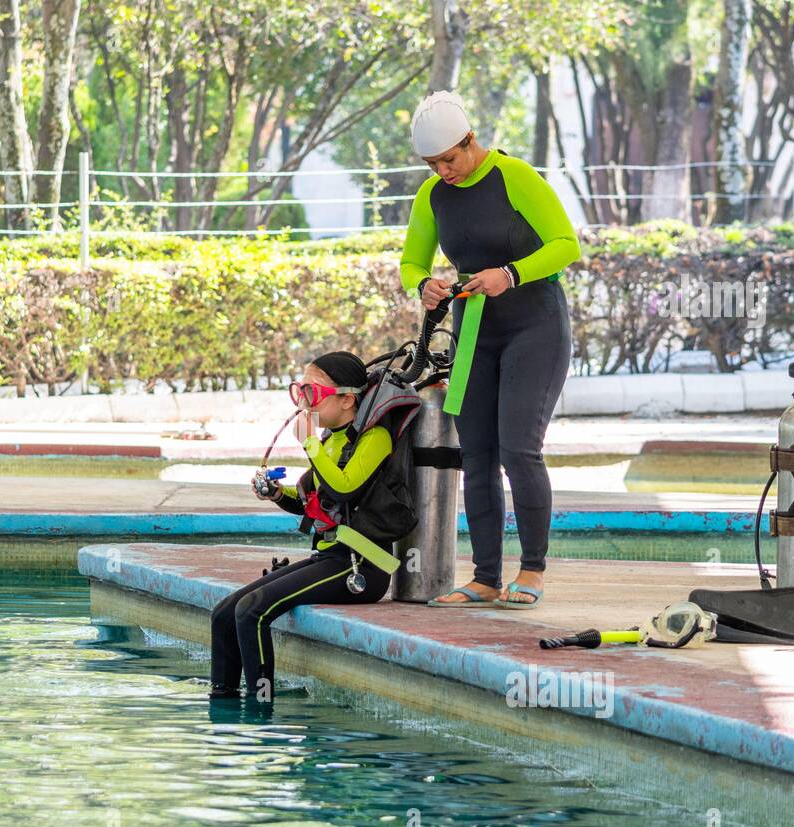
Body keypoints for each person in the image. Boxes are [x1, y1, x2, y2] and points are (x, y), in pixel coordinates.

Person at [399, 90, 581, 610]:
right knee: (475, 451)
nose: (443, 171)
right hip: (474, 328)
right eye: (432, 164)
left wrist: (512, 273)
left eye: (450, 159)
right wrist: (424, 286)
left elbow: (566, 244)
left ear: (470, 140)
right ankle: (483, 577)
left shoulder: (514, 176)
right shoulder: (431, 196)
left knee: (519, 449)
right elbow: (412, 261)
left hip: (536, 326)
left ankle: (533, 570)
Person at [209, 351, 399, 703]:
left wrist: (310, 444)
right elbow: (312, 503)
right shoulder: (331, 440)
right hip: (328, 557)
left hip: (361, 566)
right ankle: (221, 701)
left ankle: (259, 704)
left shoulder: (375, 439)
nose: (304, 403)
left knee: (252, 611)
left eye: (313, 393)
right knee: (224, 614)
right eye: (301, 392)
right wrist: (276, 494)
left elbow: (346, 487)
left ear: (346, 400)